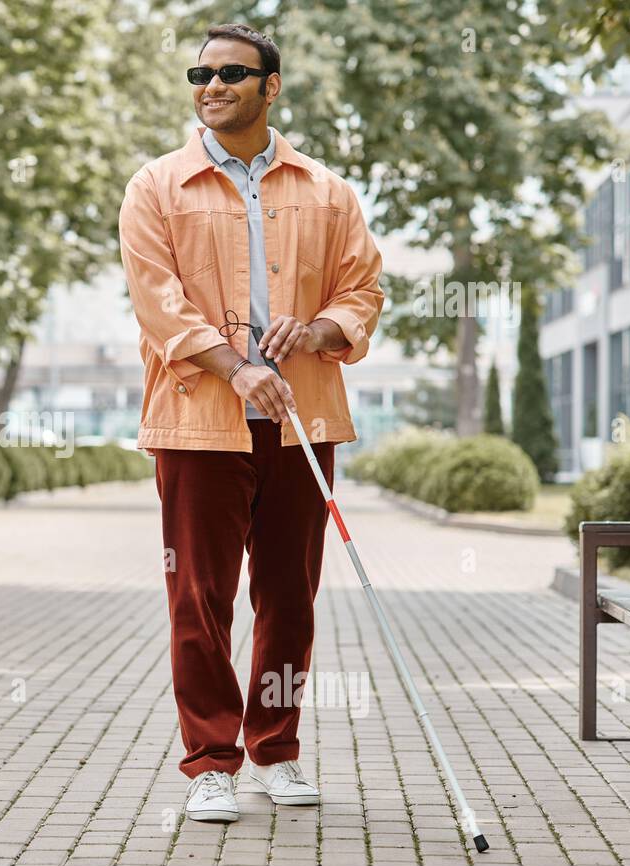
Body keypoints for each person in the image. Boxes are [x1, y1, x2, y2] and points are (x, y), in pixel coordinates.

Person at [118, 22, 384, 823]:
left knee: (290, 597)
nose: (212, 85)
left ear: (272, 86)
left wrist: (317, 332)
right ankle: (210, 762)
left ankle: (276, 749)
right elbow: (158, 303)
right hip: (199, 422)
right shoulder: (157, 188)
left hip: (301, 420)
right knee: (199, 597)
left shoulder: (329, 192)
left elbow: (361, 292)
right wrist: (236, 369)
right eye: (200, 73)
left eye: (232, 72)